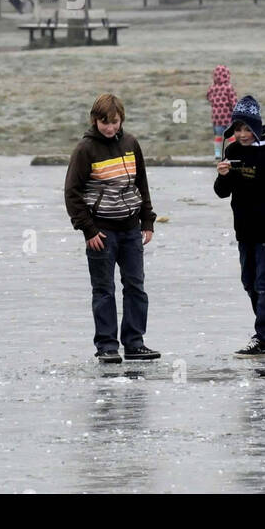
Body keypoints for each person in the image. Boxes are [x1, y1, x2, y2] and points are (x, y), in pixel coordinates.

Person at [64, 93, 160, 364]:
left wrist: (148, 220)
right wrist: (88, 230)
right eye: (104, 122)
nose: (110, 127)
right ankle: (107, 346)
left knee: (136, 287)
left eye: (114, 122)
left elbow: (141, 182)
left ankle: (134, 343)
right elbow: (72, 193)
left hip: (131, 230)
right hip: (101, 233)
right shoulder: (85, 150)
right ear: (95, 121)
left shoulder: (131, 144)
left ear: (121, 120)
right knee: (103, 290)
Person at [214, 95, 265, 356]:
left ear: (257, 129)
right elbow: (222, 192)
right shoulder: (232, 152)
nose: (242, 134)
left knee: (264, 283)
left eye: (247, 129)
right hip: (245, 232)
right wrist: (222, 175)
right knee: (249, 281)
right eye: (238, 129)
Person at [205, 64, 237, 160]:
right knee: (231, 137)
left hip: (216, 117)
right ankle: (233, 153)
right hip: (227, 116)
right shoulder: (228, 87)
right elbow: (234, 101)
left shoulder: (212, 88)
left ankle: (217, 154)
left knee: (218, 137)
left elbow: (208, 97)